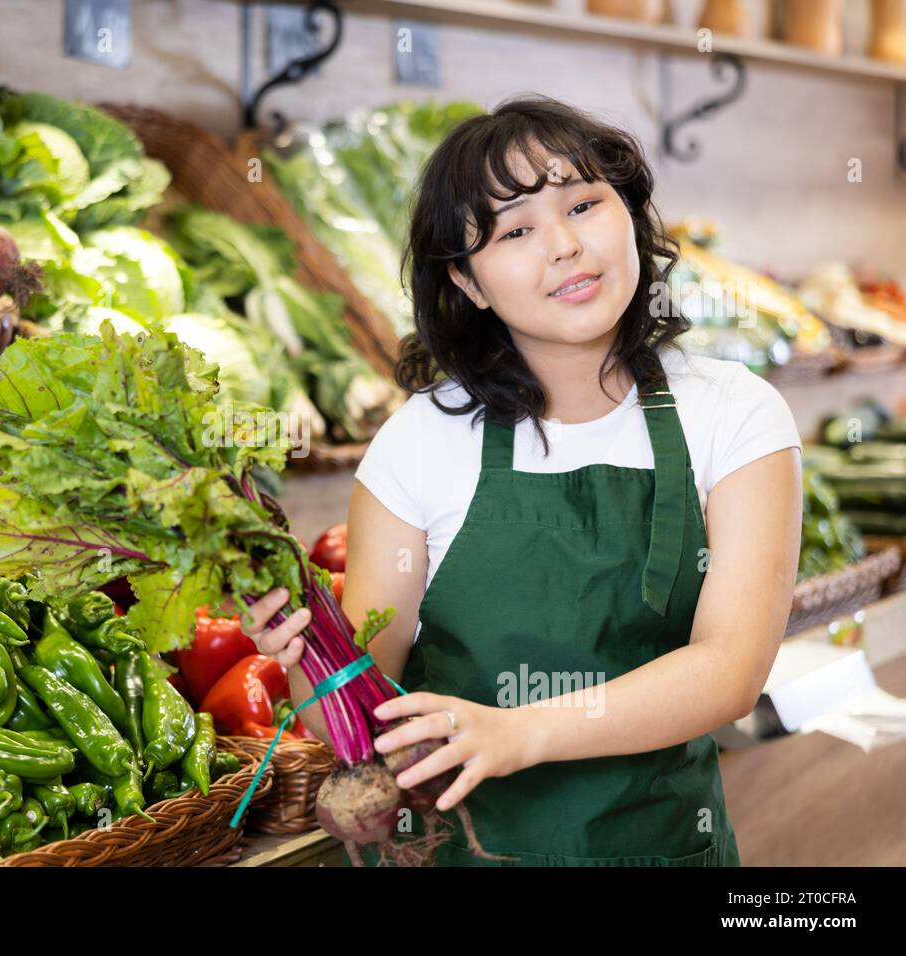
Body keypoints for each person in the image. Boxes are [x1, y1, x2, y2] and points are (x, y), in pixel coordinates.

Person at [240, 95, 803, 866]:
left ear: (631, 218)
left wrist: (521, 731)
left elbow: (731, 671)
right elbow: (367, 719)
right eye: (515, 231)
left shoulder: (735, 416)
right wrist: (307, 658)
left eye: (583, 203)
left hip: (656, 848)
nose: (565, 245)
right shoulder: (420, 442)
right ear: (468, 283)